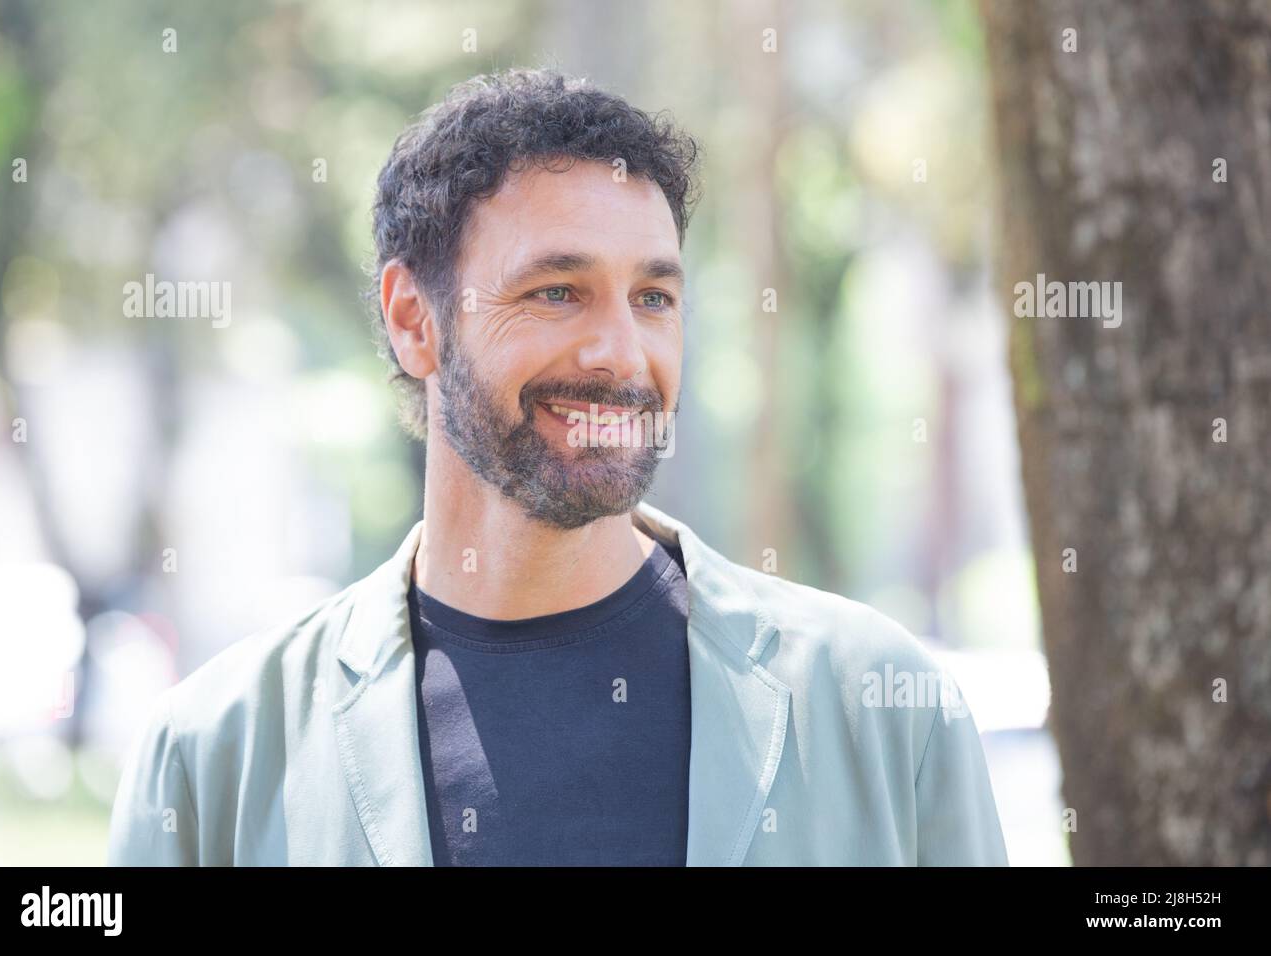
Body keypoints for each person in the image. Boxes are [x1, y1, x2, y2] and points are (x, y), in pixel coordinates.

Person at [108, 67, 1008, 866]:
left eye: (653, 296)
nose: (622, 353)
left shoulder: (886, 713)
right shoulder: (211, 757)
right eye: (556, 292)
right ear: (413, 320)